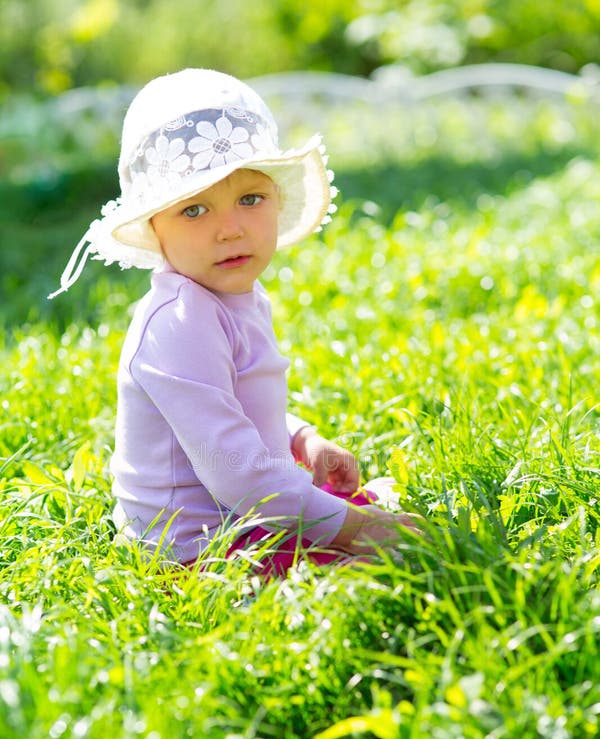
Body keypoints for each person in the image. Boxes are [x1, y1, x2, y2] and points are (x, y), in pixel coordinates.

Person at [50, 68, 420, 577]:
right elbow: (238, 472)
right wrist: (356, 529)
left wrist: (301, 439)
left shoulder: (235, 296)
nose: (229, 230)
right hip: (191, 542)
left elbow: (232, 404)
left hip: (243, 505)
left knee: (361, 512)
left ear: (277, 201)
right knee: (366, 555)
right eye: (195, 210)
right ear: (154, 228)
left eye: (250, 199)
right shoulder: (178, 322)